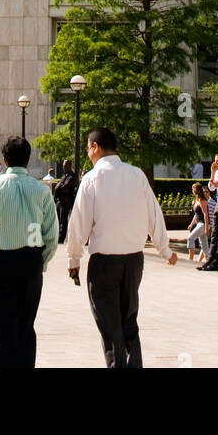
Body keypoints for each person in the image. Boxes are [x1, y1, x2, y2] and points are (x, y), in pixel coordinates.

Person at [66, 127, 177, 369]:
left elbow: (79, 222)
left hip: (104, 262)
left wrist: (73, 259)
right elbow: (153, 214)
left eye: (88, 148)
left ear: (95, 147)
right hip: (134, 261)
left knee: (110, 327)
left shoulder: (92, 178)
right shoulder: (136, 175)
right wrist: (165, 250)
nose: (88, 153)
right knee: (129, 322)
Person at [0, 135, 59, 368]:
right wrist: (41, 262)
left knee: (1, 327)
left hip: (2, 262)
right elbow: (52, 234)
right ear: (27, 160)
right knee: (26, 326)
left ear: (4, 160)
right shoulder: (42, 190)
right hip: (31, 262)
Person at [53, 160, 78, 244]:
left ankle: (61, 239)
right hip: (59, 201)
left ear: (69, 166)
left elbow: (65, 187)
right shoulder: (64, 176)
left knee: (63, 221)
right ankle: (58, 237)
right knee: (58, 220)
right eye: (63, 165)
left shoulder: (72, 176)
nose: (64, 167)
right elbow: (57, 187)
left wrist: (59, 186)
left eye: (65, 166)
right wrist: (59, 186)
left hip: (66, 202)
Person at [186, 181, 211, 262]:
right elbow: (196, 215)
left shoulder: (202, 200)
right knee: (204, 245)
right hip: (200, 223)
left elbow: (205, 215)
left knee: (190, 238)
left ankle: (190, 260)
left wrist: (207, 228)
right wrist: (191, 224)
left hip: (203, 224)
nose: (192, 191)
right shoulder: (196, 200)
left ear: (195, 190)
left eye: (193, 189)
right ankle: (208, 261)